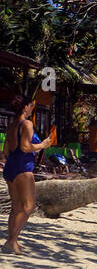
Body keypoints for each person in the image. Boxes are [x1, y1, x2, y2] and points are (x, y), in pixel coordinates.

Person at [4, 95, 54, 255]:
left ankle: (13, 241)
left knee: (16, 207)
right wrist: (43, 144)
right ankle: (11, 241)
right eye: (31, 105)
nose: (33, 107)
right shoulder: (27, 123)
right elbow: (25, 147)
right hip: (23, 167)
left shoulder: (12, 125)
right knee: (28, 206)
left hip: (10, 166)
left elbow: (5, 151)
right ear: (25, 107)